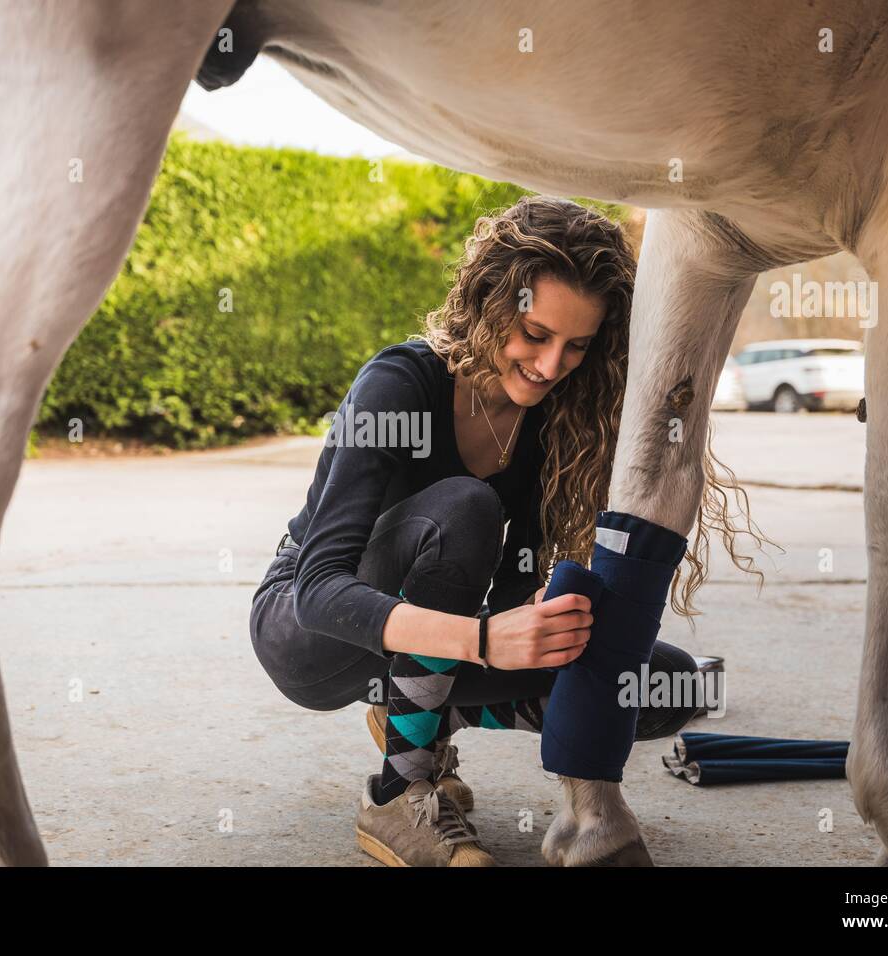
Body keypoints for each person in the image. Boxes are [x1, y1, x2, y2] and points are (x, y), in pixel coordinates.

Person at [249, 195, 760, 867]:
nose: (552, 366)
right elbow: (319, 591)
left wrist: (544, 617)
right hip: (310, 633)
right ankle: (396, 794)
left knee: (662, 683)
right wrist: (485, 639)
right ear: (492, 303)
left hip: (426, 653)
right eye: (536, 334)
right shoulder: (398, 384)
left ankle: (420, 719)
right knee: (465, 507)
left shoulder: (550, 421)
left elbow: (515, 586)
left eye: (576, 345)